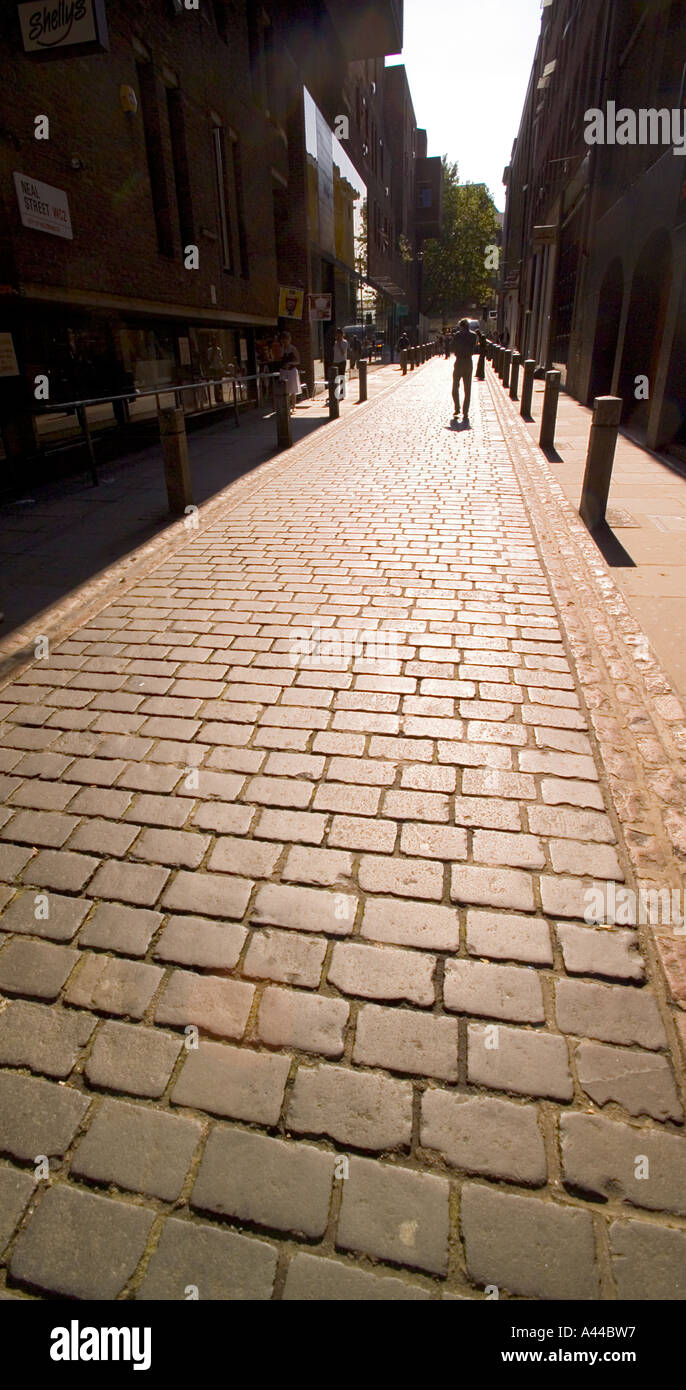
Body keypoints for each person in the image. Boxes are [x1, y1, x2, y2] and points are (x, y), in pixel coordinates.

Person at [450, 317, 479, 422]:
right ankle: (465, 412)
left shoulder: (458, 335)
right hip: (468, 362)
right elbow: (474, 347)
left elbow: (451, 347)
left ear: (461, 326)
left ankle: (457, 408)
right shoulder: (473, 335)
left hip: (459, 362)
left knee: (455, 387)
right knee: (467, 389)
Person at [279, 331, 300, 413]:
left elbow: (298, 361)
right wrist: (282, 349)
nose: (285, 342)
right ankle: (286, 406)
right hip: (284, 371)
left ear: (289, 339)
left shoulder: (293, 349)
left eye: (286, 340)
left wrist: (291, 363)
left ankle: (293, 406)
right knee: (284, 389)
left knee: (293, 389)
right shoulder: (282, 349)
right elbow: (280, 358)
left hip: (291, 371)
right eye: (283, 340)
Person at [332, 327, 349, 398]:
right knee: (336, 378)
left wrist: (339, 344)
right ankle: (336, 392)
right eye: (337, 335)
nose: (338, 336)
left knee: (341, 377)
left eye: (339, 335)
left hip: (342, 361)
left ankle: (342, 393)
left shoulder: (344, 342)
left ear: (342, 335)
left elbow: (343, 352)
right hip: (335, 361)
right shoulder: (334, 343)